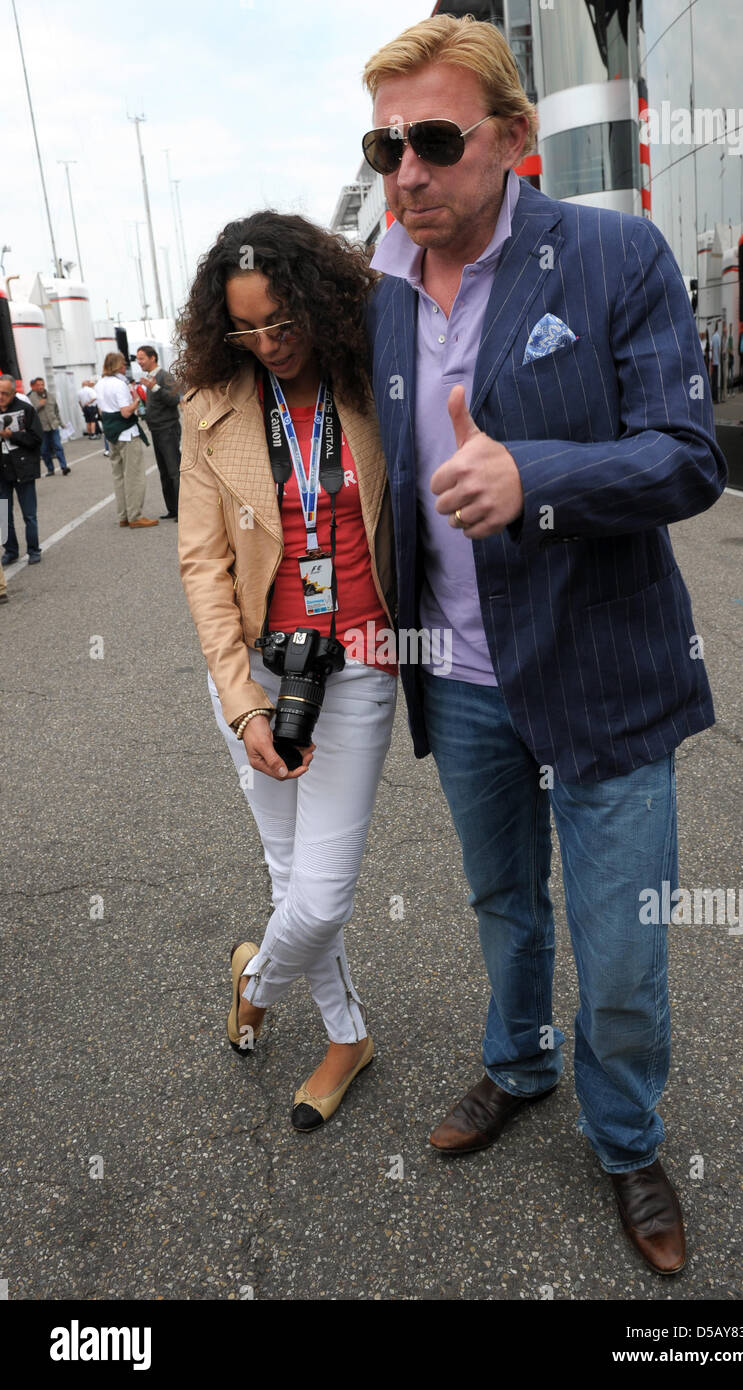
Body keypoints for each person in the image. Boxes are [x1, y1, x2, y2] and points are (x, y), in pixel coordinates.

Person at [363, 13, 726, 1276]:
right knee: (503, 903)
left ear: (514, 137)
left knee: (619, 943)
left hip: (602, 669)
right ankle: (517, 1064)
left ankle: (625, 1138)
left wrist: (539, 479)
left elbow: (688, 455)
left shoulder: (614, 252)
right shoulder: (378, 291)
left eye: (432, 139)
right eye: (384, 147)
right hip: (462, 680)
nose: (406, 171)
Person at [175, 210, 398, 1131]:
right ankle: (347, 1036)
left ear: (319, 300)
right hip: (257, 675)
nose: (269, 344)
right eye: (247, 330)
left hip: (362, 662)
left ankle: (255, 982)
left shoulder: (373, 379)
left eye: (283, 321)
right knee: (287, 875)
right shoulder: (208, 408)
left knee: (321, 891)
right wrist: (242, 705)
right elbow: (202, 565)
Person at [95, 353, 158, 528]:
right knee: (134, 476)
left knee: (119, 477)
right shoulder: (119, 384)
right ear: (118, 365)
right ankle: (135, 515)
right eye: (123, 364)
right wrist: (136, 402)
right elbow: (125, 412)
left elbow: (101, 411)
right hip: (127, 433)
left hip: (111, 434)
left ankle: (123, 515)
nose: (125, 367)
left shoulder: (100, 384)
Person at [0, 373, 44, 566]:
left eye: (5, 393)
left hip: (23, 468)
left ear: (13, 393)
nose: (1, 396)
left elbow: (37, 439)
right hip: (2, 471)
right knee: (3, 514)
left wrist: (12, 435)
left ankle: (33, 550)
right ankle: (10, 550)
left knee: (29, 514)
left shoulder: (25, 409)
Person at [135, 346, 182, 520]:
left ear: (153, 358)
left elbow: (174, 399)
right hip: (156, 429)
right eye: (138, 359)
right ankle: (173, 509)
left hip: (167, 429)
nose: (139, 362)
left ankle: (183, 510)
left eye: (142, 358)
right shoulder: (150, 378)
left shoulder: (164, 376)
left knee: (174, 471)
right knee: (164, 472)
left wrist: (155, 388)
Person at [28, 377, 71, 475]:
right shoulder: (31, 398)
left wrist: (61, 423)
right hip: (42, 429)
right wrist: (39, 405)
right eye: (38, 385)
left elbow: (56, 411)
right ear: (34, 386)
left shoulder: (50, 396)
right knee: (44, 450)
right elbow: (30, 413)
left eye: (42, 384)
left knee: (58, 447)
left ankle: (64, 467)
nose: (41, 387)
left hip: (54, 426)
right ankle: (50, 469)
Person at [710, 321, 721, 403]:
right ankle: (716, 398)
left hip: (713, 361)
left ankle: (713, 397)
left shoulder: (713, 337)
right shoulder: (718, 337)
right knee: (716, 381)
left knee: (713, 380)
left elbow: (712, 349)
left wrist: (712, 359)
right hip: (717, 362)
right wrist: (719, 359)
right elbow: (719, 349)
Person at [727, 324, 735, 395]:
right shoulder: (730, 339)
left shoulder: (730, 338)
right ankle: (730, 391)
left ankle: (730, 391)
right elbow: (729, 350)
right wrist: (732, 353)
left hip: (731, 360)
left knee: (730, 376)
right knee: (730, 376)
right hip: (730, 360)